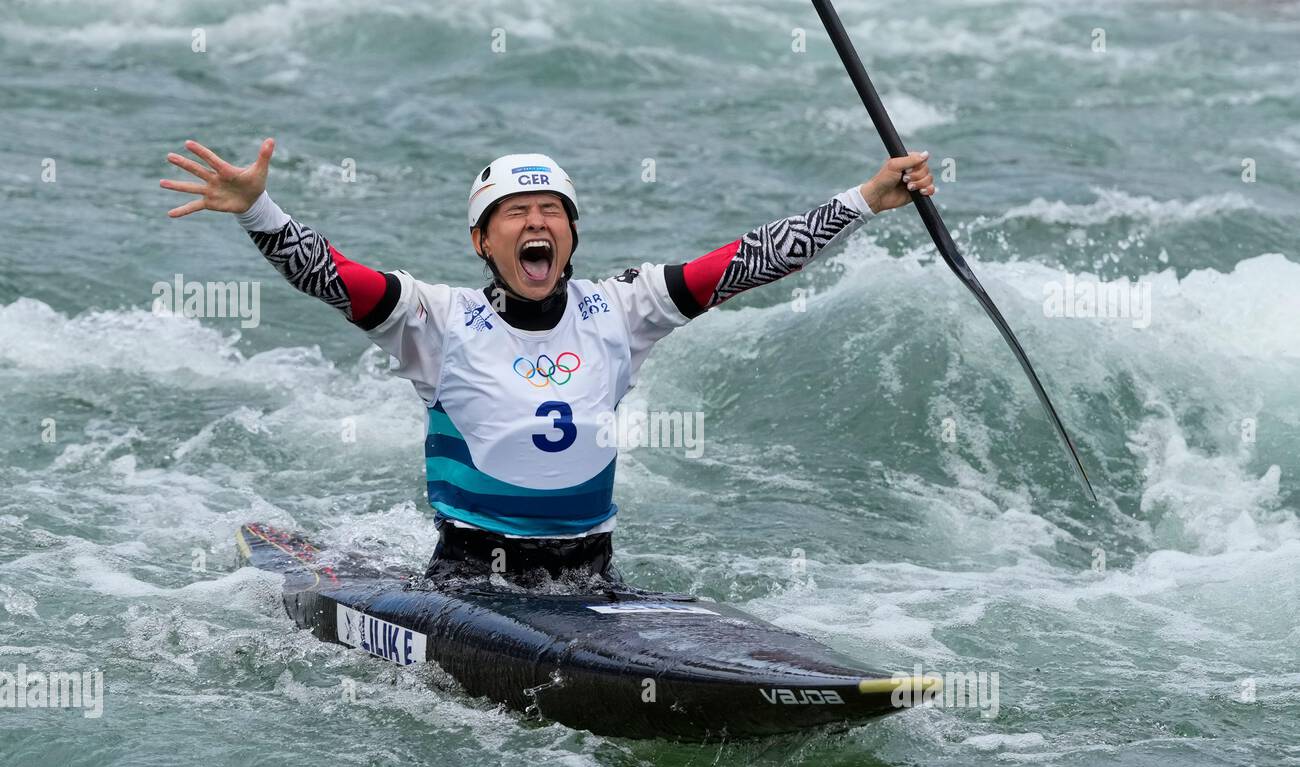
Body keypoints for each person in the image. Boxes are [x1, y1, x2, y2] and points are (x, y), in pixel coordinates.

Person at [161, 139, 935, 584]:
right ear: (482, 241)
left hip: (590, 573)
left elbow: (748, 262)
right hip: (472, 578)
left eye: (551, 211)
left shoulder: (622, 309)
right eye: (515, 213)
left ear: (570, 234)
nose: (537, 222)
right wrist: (259, 210)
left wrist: (864, 199)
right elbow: (329, 276)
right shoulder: (438, 320)